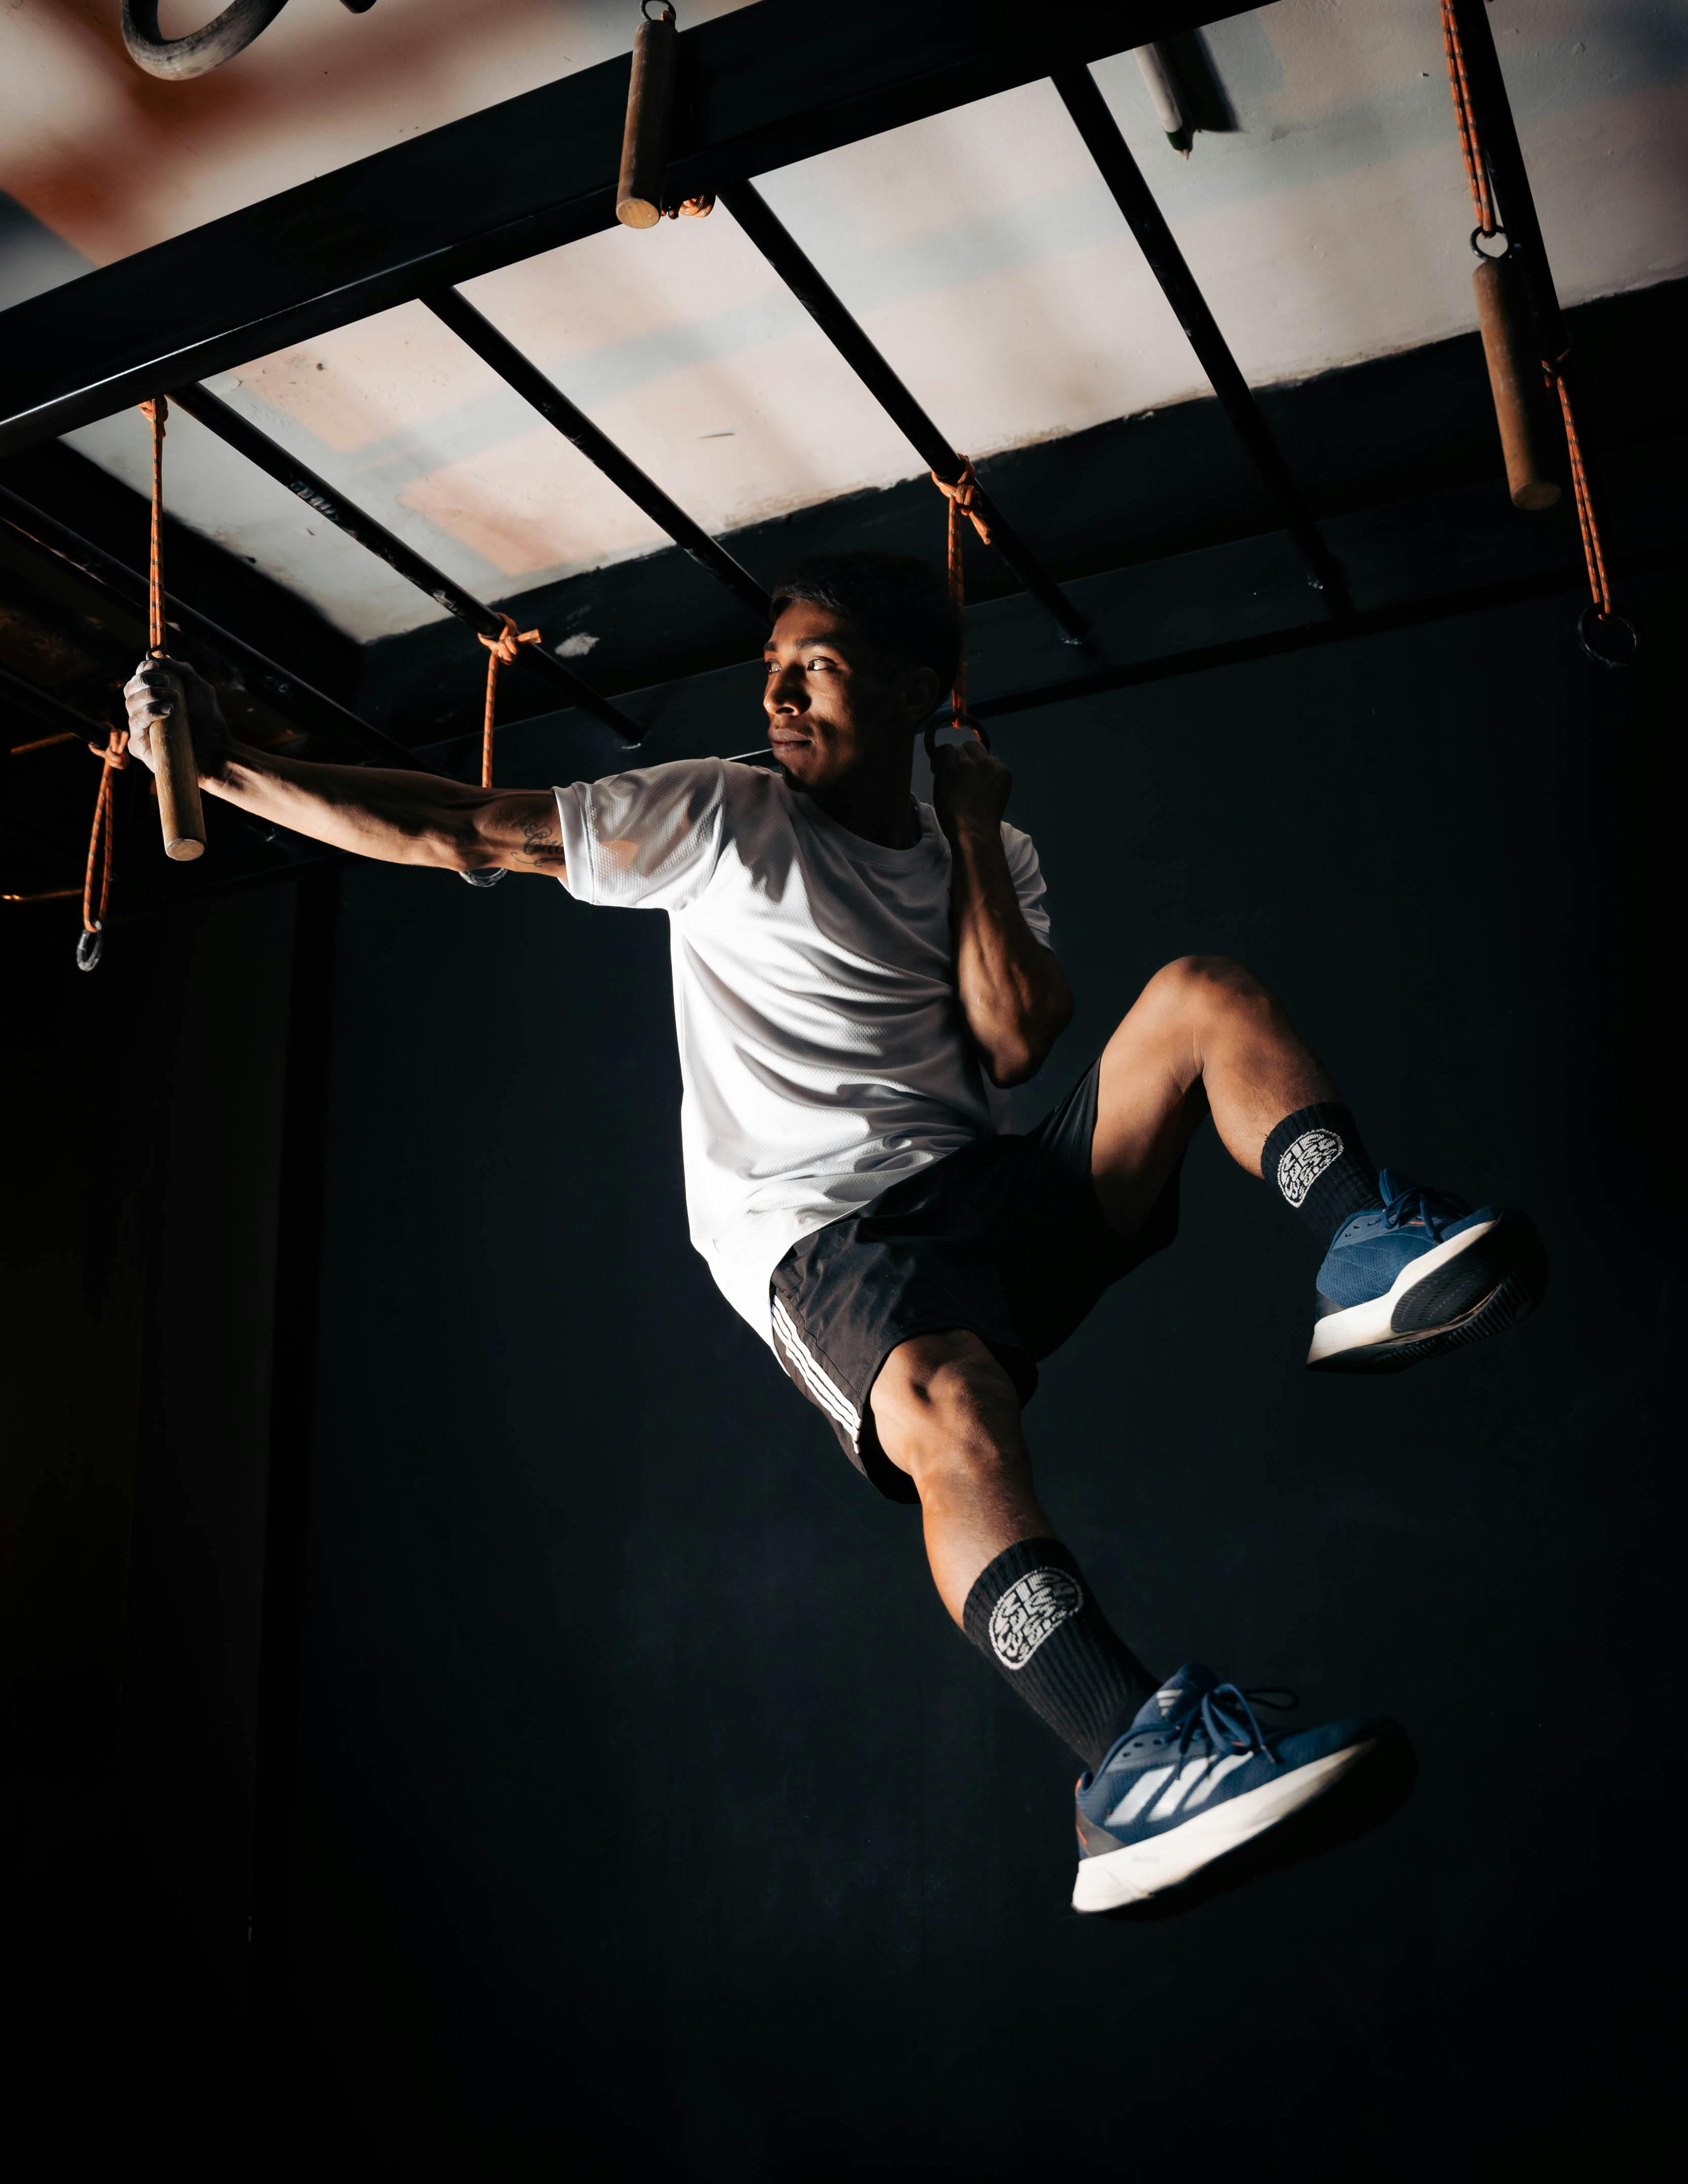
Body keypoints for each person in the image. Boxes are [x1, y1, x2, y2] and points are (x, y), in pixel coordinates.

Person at [123, 553, 1545, 1912]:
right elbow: (455, 825)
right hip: (825, 1243)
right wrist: (219, 762)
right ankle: (1128, 1757)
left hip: (984, 1198)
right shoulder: (719, 816)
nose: (778, 697)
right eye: (770, 670)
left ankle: (1362, 1245)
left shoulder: (982, 834)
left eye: (817, 666)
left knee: (1198, 993)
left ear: (920, 688)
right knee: (943, 1400)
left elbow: (1011, 1040)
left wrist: (978, 824)